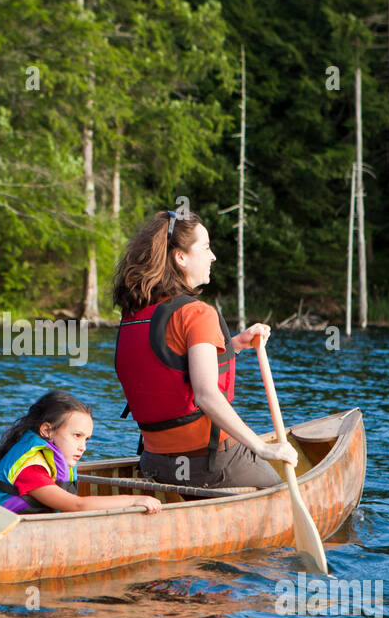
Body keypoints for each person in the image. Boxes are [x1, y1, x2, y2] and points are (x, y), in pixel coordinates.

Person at [111, 209, 298, 490]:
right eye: (206, 248)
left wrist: (233, 345)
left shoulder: (133, 315)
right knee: (281, 491)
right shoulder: (197, 314)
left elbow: (170, 365)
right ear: (181, 257)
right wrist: (262, 448)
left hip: (154, 464)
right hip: (210, 464)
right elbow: (206, 396)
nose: (213, 256)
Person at [0, 390, 163, 514]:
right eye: (76, 435)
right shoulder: (32, 469)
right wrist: (134, 501)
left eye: (86, 439)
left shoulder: (49, 461)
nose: (83, 446)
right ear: (47, 431)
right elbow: (77, 505)